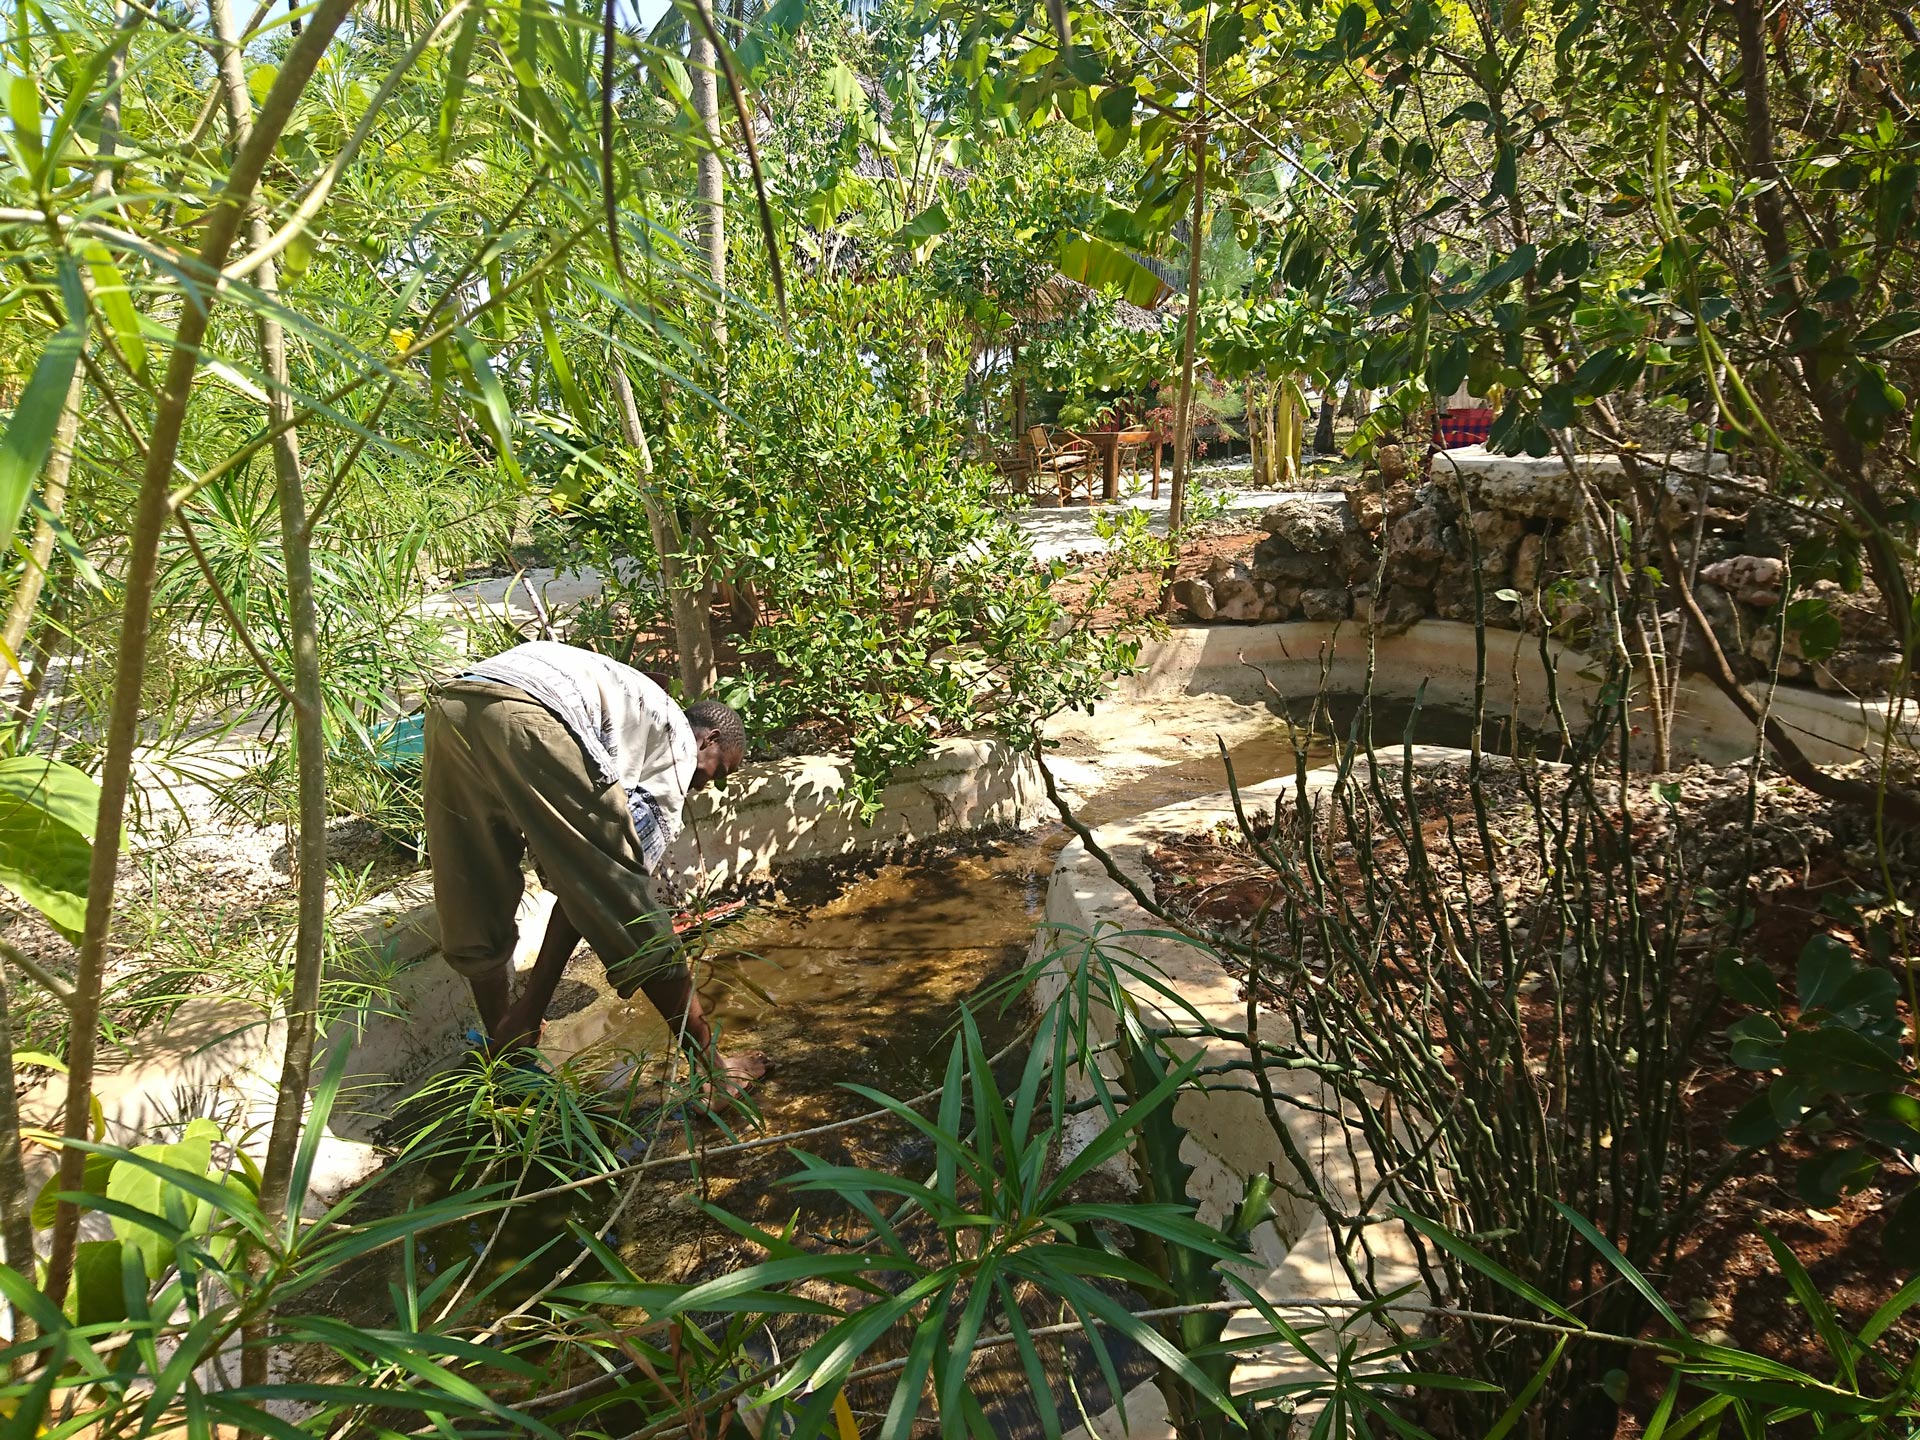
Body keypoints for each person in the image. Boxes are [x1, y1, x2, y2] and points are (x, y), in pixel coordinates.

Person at [422, 640, 767, 1096]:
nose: (708, 786)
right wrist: (533, 1005)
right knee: (632, 908)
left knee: (473, 884)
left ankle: (508, 1059)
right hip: (531, 711)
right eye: (719, 771)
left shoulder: (635, 707)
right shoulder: (678, 743)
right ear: (709, 739)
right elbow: (605, 889)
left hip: (454, 706)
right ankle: (715, 1070)